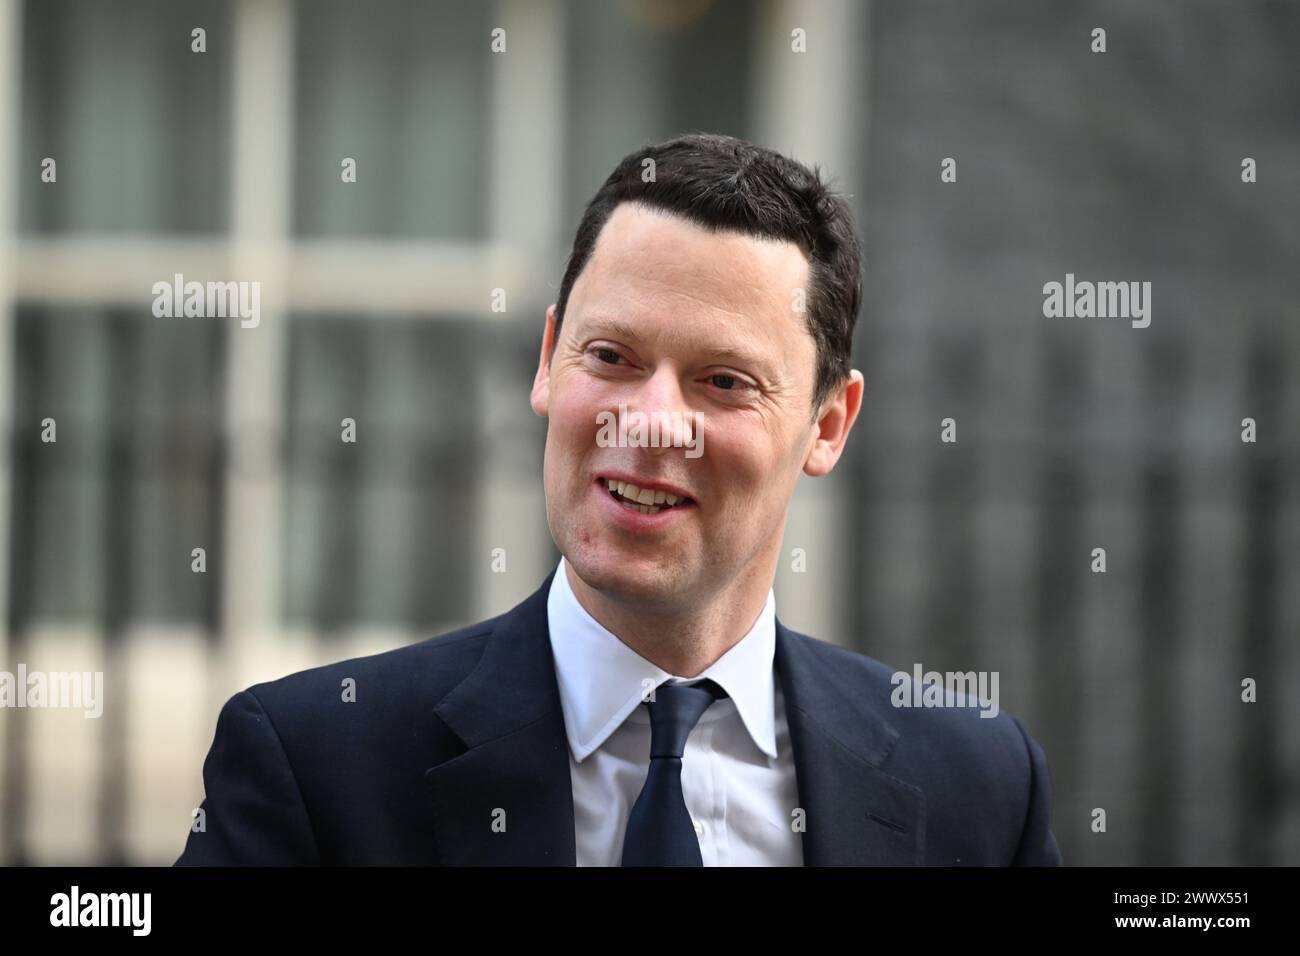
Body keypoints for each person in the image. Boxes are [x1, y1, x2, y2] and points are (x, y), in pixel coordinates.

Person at [175, 132, 1061, 866]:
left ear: (829, 424)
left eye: (722, 381)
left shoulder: (980, 789)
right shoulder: (314, 768)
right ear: (548, 359)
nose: (652, 423)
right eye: (611, 358)